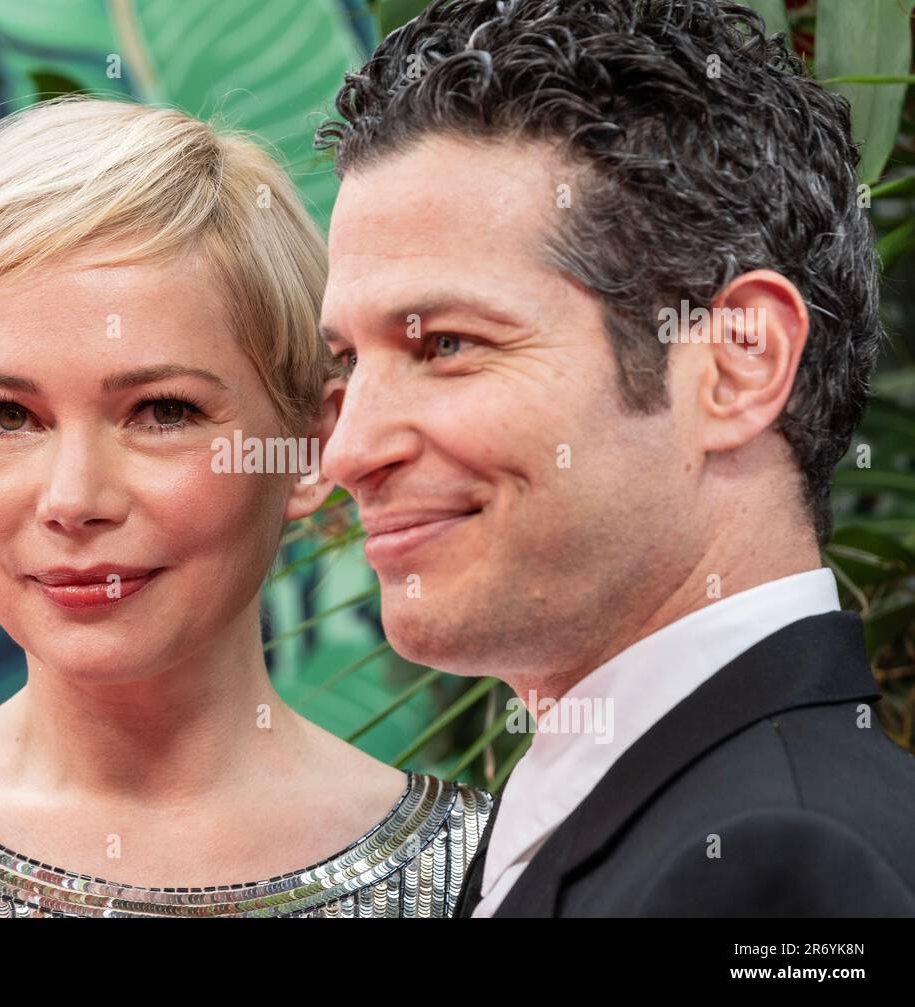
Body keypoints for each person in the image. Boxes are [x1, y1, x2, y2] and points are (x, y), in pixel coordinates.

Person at [0, 96, 490, 918]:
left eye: (161, 412)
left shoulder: (489, 879)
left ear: (311, 447)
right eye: (5, 416)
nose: (73, 500)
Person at [314, 0, 915, 916]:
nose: (352, 449)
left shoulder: (780, 871)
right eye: (350, 363)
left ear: (735, 365)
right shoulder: (616, 807)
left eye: (446, 345)